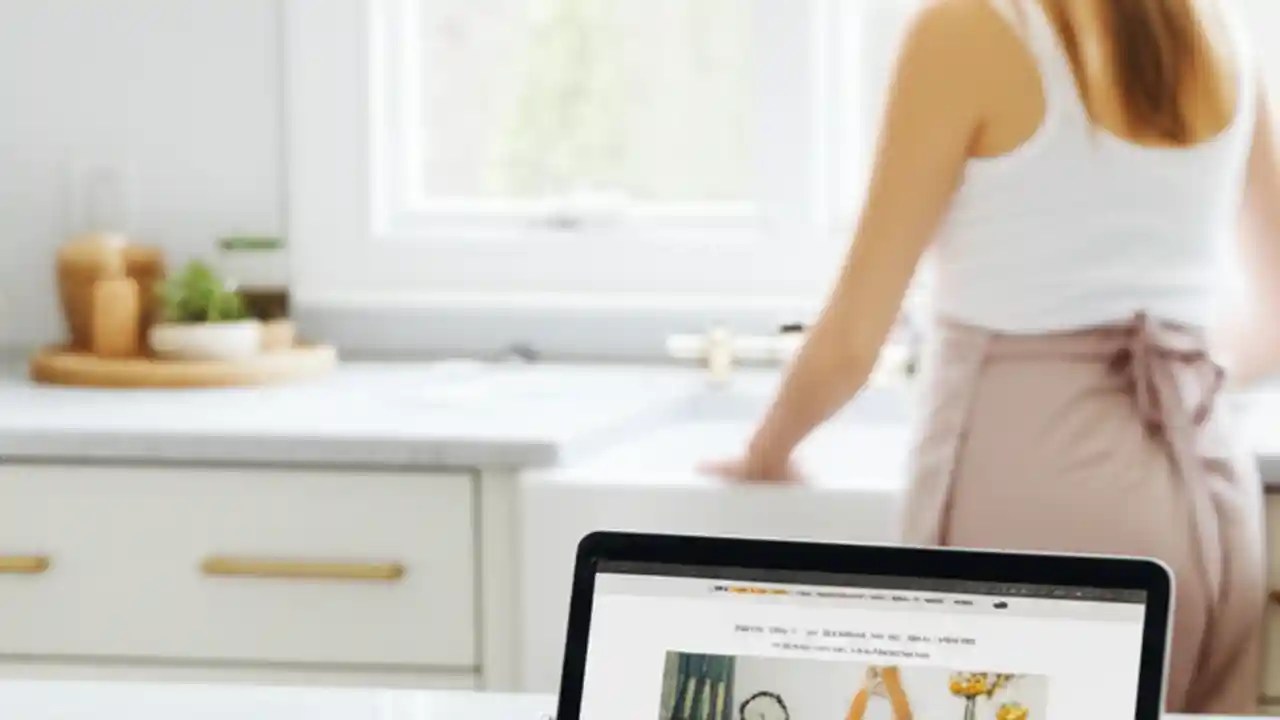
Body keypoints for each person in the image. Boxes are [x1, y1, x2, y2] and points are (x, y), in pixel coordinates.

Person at [705, 0, 1279, 713]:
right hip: (1215, 498)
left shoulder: (970, 30)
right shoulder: (1212, 30)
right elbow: (1273, 321)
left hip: (1040, 498)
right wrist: (1171, 384)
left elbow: (854, 338)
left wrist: (764, 454)